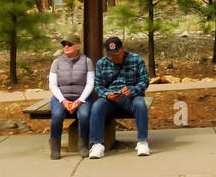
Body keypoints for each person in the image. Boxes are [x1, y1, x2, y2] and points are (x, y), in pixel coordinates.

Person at [89, 35, 151, 157]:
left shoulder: (136, 59)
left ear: (123, 49)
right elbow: (98, 85)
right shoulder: (102, 63)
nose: (114, 57)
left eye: (117, 53)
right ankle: (97, 145)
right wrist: (107, 95)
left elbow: (145, 81)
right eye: (111, 54)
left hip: (131, 97)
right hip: (110, 99)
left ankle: (142, 142)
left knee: (140, 104)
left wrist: (132, 90)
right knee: (96, 106)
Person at [48, 30, 95, 159]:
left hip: (82, 98)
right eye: (64, 45)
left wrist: (80, 100)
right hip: (61, 98)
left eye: (70, 44)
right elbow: (52, 85)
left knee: (85, 115)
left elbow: (90, 83)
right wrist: (63, 101)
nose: (66, 47)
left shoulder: (87, 61)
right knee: (57, 115)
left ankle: (83, 143)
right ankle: (55, 145)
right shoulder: (56, 62)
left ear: (78, 46)